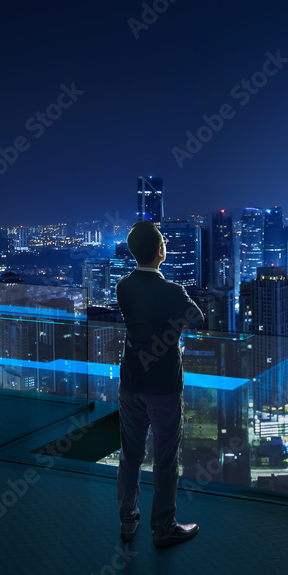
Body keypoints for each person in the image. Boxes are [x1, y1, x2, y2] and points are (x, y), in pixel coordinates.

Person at [115, 220, 204, 548]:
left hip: (131, 382)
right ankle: (163, 527)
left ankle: (127, 519)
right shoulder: (172, 291)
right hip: (164, 385)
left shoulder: (123, 287)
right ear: (160, 251)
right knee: (166, 457)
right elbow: (197, 318)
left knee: (131, 453)